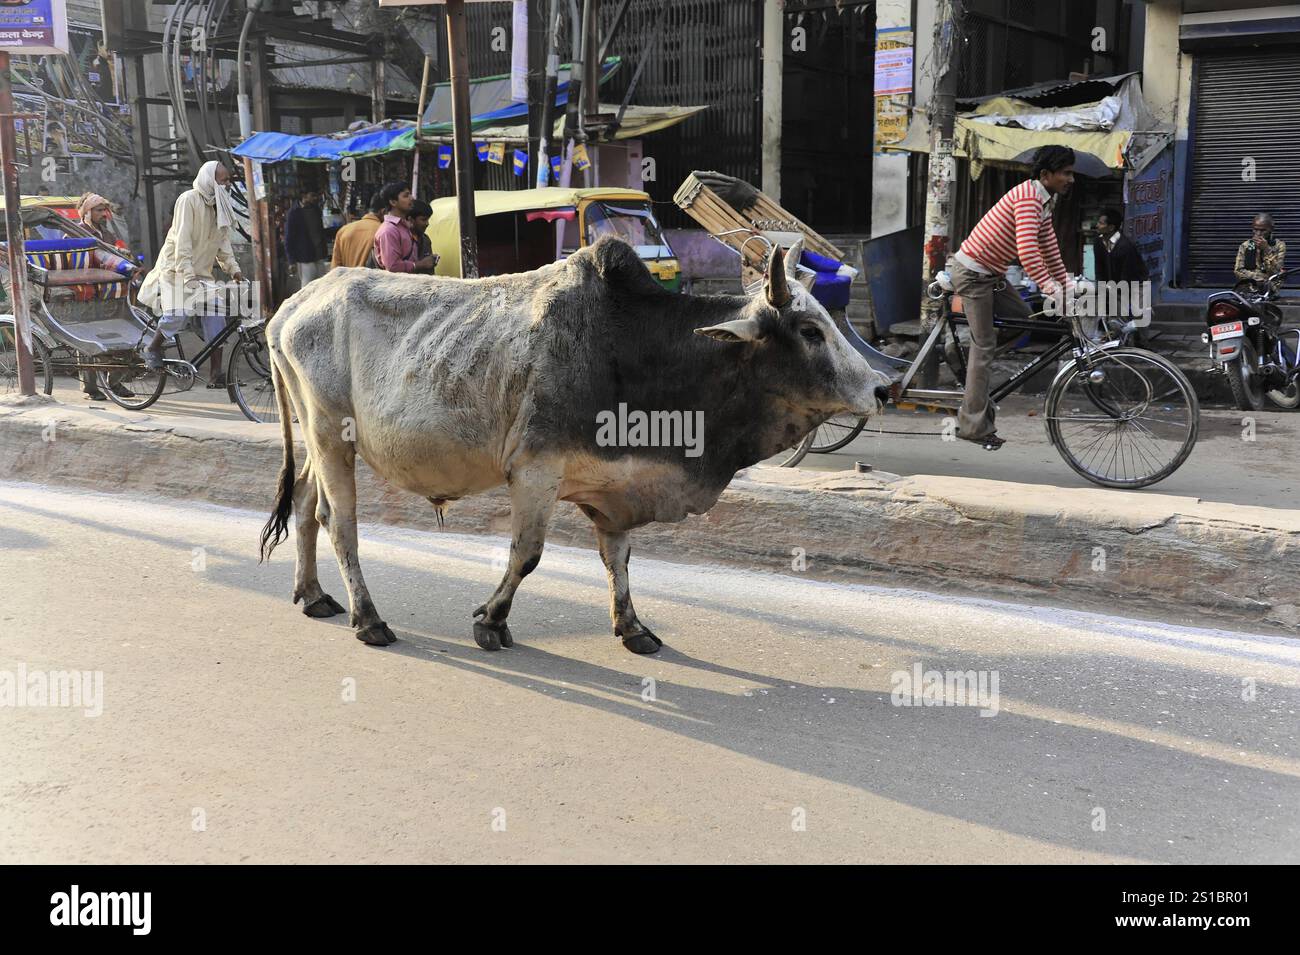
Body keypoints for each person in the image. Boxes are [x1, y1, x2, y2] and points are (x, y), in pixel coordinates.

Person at [949, 144, 1077, 450]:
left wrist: (1066, 285)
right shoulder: (1028, 199)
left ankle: (964, 359)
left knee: (1022, 321)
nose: (1071, 179)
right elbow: (1028, 251)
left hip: (992, 275)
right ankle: (972, 426)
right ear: (1046, 175)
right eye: (1066, 173)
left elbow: (1049, 248)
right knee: (985, 347)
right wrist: (1049, 287)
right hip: (973, 273)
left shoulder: (1045, 202)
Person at [137, 161, 243, 387]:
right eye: (222, 180)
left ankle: (216, 375)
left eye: (227, 181)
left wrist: (234, 269)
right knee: (178, 313)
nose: (226, 185)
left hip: (201, 273)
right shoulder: (189, 200)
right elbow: (182, 240)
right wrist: (187, 275)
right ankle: (152, 348)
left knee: (217, 319)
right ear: (209, 180)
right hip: (176, 270)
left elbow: (223, 244)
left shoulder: (220, 205)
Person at [373, 181, 436, 274]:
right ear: (393, 202)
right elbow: (392, 266)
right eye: (406, 196)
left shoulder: (404, 227)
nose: (411, 198)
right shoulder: (388, 230)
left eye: (410, 194)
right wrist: (420, 264)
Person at [284, 187, 327, 288]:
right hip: (305, 257)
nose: (315, 198)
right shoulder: (294, 213)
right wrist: (291, 261)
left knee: (323, 288)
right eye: (312, 195)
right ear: (304, 196)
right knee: (308, 289)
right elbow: (289, 238)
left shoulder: (316, 210)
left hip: (320, 255)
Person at [330, 192, 385, 269]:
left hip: (347, 280)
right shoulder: (384, 232)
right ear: (383, 212)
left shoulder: (344, 230)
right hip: (373, 280)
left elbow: (335, 269)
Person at [1093, 208, 1147, 284]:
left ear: (1111, 227)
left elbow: (1127, 276)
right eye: (1098, 222)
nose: (1097, 225)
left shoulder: (1126, 246)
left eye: (1101, 223)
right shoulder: (1098, 242)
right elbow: (1099, 269)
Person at [1234, 213, 1286, 291]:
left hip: (1269, 289)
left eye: (1262, 230)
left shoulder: (1279, 245)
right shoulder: (1246, 245)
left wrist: (1267, 249)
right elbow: (1238, 270)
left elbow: (1276, 271)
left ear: (1271, 229)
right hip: (1249, 288)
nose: (1258, 233)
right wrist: (1258, 278)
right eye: (1255, 229)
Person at [408, 199, 439, 273]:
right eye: (423, 220)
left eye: (428, 219)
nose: (427, 223)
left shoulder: (426, 240)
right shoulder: (403, 239)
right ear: (411, 220)